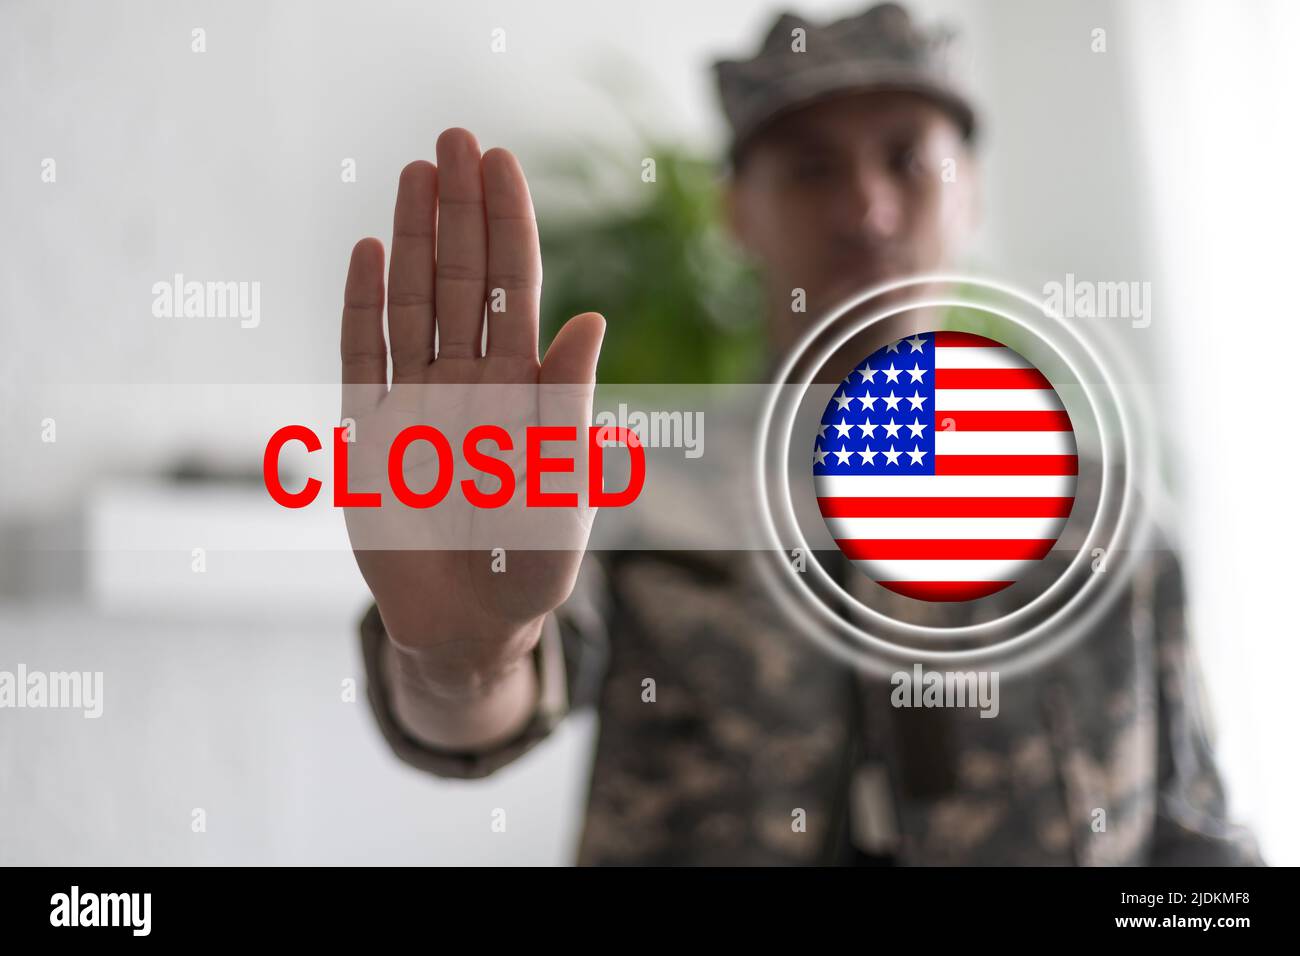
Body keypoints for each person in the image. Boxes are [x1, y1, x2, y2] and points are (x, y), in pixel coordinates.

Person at [340, 3, 1261, 865]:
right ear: (736, 211)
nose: (865, 208)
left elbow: (1195, 840)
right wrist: (465, 659)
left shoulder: (1104, 517)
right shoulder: (634, 488)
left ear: (971, 193)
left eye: (907, 159)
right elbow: (484, 706)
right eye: (812, 168)